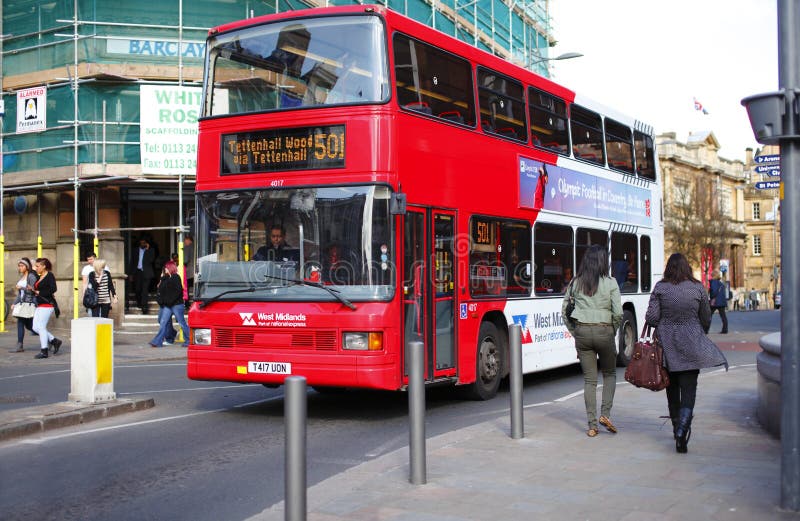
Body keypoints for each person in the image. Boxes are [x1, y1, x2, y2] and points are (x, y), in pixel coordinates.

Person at [645, 253, 728, 454]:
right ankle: (683, 428)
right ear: (687, 268)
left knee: (672, 390)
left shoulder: (661, 288)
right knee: (689, 391)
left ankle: (676, 430)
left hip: (668, 346)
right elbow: (706, 317)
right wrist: (699, 331)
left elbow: (652, 317)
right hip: (692, 343)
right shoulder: (697, 287)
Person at [561, 244, 622, 438]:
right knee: (610, 374)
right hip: (604, 331)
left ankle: (592, 425)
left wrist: (575, 331)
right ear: (604, 261)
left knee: (590, 380)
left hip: (582, 332)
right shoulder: (611, 283)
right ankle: (605, 414)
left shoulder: (576, 282)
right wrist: (612, 330)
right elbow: (618, 313)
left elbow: (564, 311)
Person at [149, 261, 189, 348]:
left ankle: (189, 340)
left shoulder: (176, 277)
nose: (165, 269)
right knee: (163, 322)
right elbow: (161, 290)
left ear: (170, 268)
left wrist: (169, 301)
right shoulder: (166, 278)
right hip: (168, 305)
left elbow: (178, 292)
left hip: (177, 305)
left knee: (182, 323)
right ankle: (157, 341)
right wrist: (162, 279)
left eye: (166, 268)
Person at [31, 257, 63, 359]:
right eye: (35, 266)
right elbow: (39, 289)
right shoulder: (39, 276)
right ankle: (54, 341)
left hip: (47, 304)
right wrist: (33, 290)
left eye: (38, 266)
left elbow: (53, 288)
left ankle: (44, 351)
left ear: (44, 266)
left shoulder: (50, 275)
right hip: (39, 304)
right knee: (35, 327)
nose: (36, 268)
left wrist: (40, 292)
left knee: (40, 327)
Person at [9, 258, 38, 353]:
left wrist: (22, 287)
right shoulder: (22, 278)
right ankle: (51, 340)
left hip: (29, 303)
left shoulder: (31, 276)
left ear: (27, 266)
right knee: (30, 326)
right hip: (23, 303)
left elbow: (32, 291)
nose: (20, 268)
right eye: (19, 266)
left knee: (22, 323)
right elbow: (20, 294)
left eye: (22, 266)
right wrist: (14, 303)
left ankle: (19, 345)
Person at [129, 237, 156, 314]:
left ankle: (144, 307)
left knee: (145, 290)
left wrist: (148, 250)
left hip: (146, 272)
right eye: (141, 243)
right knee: (138, 289)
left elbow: (151, 260)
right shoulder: (135, 250)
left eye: (144, 243)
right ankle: (139, 303)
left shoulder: (151, 251)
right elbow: (132, 262)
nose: (142, 244)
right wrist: (131, 274)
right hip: (137, 272)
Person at [708, 270, 728, 334]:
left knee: (708, 315)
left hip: (715, 302)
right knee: (723, 316)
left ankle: (705, 329)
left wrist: (711, 297)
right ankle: (725, 329)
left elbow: (714, 291)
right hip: (721, 301)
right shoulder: (720, 282)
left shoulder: (713, 282)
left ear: (713, 275)